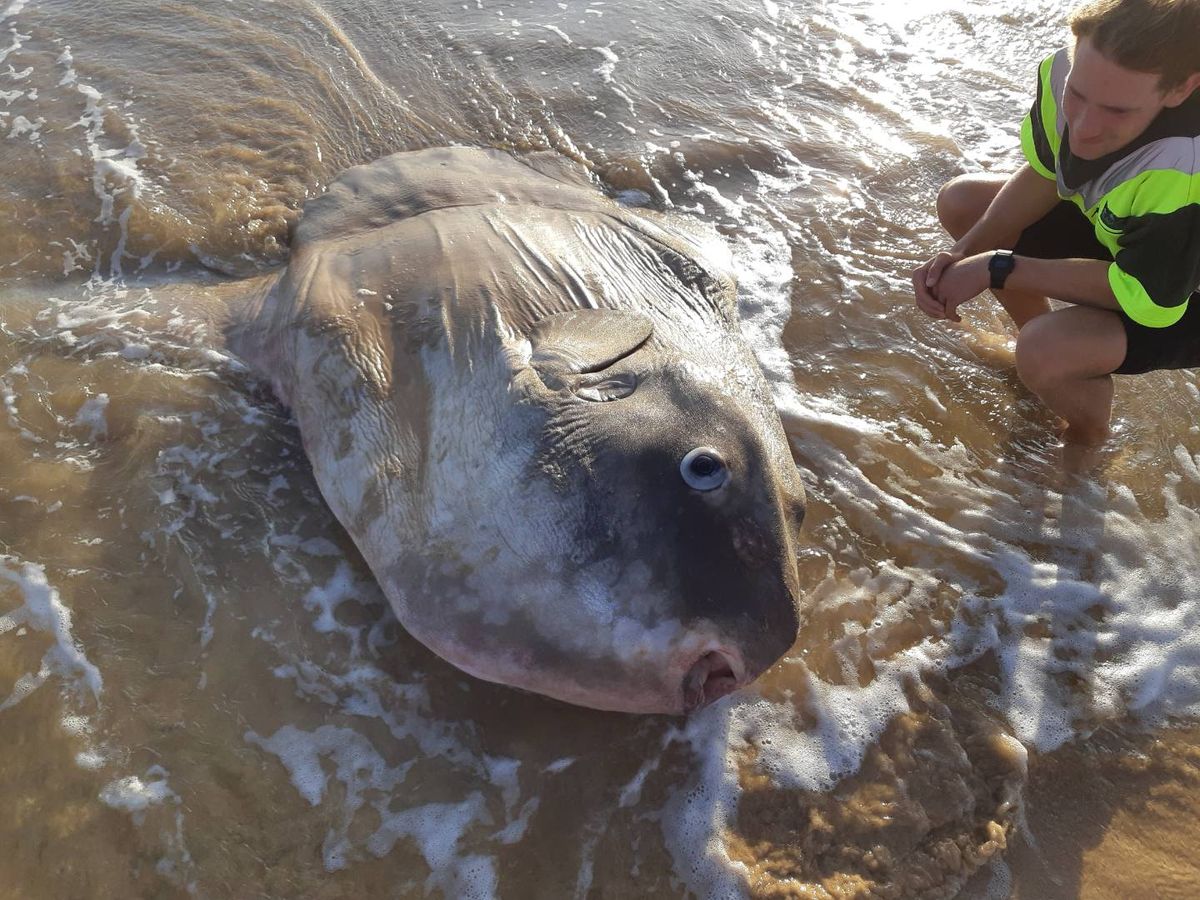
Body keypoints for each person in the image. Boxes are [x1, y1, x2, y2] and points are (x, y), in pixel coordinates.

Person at [912, 0, 1200, 445]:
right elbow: (1049, 172)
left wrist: (998, 267)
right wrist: (965, 250)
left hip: (1179, 289)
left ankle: (1089, 436)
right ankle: (1043, 364)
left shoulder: (1187, 166)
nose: (1083, 128)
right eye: (1078, 96)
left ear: (1181, 90)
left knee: (1047, 349)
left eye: (1117, 111)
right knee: (963, 203)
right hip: (1139, 233)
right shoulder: (1068, 67)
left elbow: (1149, 298)